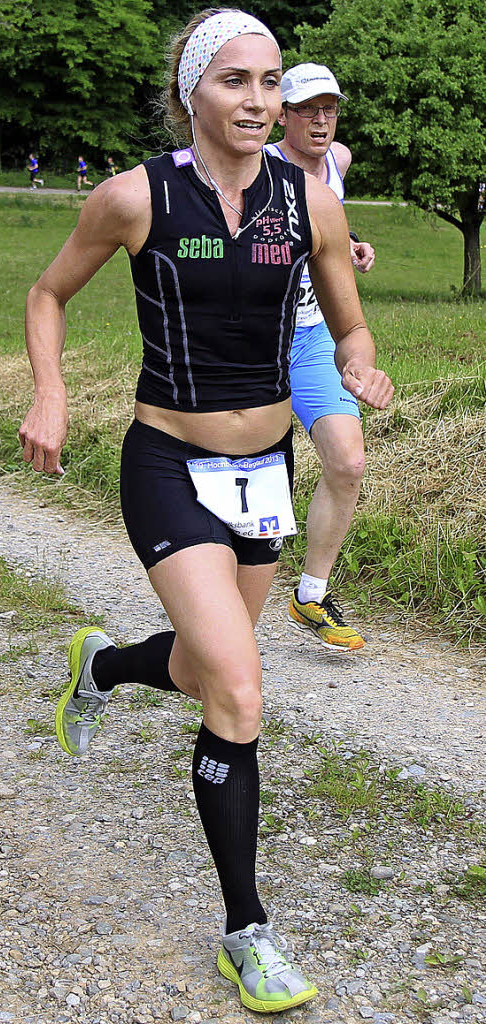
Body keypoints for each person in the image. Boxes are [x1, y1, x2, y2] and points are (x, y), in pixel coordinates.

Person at [19, 9, 393, 1014]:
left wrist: (358, 361)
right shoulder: (132, 196)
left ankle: (99, 665)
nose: (258, 103)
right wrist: (50, 394)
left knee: (195, 665)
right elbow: (47, 294)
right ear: (193, 90)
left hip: (264, 470)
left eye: (270, 83)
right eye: (236, 81)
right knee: (237, 686)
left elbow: (346, 319)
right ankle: (247, 930)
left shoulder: (305, 199)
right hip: (168, 464)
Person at [266, 64, 376, 651]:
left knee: (348, 462)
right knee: (255, 467)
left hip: (313, 336)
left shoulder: (339, 160)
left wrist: (349, 243)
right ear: (282, 114)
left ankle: (309, 595)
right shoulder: (257, 168)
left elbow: (325, 221)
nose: (321, 119)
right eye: (307, 108)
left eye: (329, 107)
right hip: (255, 337)